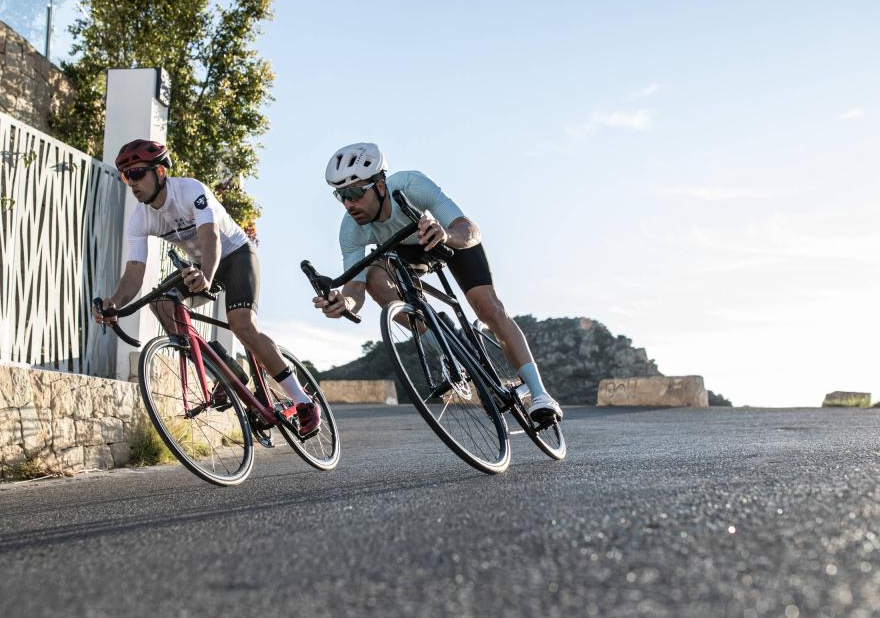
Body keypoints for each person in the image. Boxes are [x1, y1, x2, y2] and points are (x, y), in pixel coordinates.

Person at [311, 142, 563, 423]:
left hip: (444, 237)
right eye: (341, 195)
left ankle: (540, 394)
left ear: (380, 185)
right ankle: (442, 339)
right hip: (403, 253)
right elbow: (355, 289)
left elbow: (469, 229)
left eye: (355, 193)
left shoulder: (411, 185)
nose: (348, 204)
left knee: (488, 307)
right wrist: (342, 303)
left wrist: (446, 235)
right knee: (372, 274)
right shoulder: (351, 229)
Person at [92, 139, 320, 436]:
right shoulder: (141, 217)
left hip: (235, 255)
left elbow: (210, 237)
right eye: (126, 176)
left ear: (160, 172)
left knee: (241, 324)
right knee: (161, 303)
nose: (131, 183)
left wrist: (207, 276)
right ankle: (227, 373)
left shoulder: (190, 191)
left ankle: (303, 401)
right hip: (202, 265)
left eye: (137, 174)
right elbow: (135, 271)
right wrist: (114, 302)